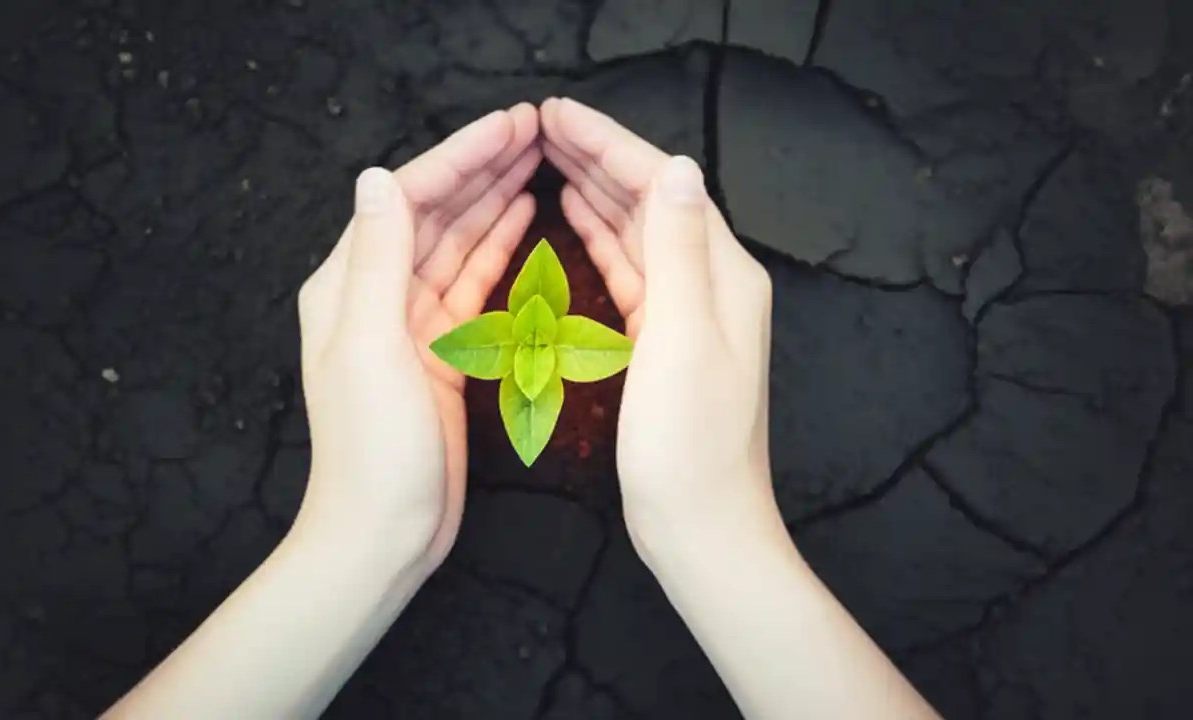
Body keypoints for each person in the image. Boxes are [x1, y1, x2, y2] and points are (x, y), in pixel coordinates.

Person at [106, 99, 940, 720]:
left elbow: (597, 355)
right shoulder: (497, 346)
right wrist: (365, 532)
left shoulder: (556, 343)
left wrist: (361, 539)